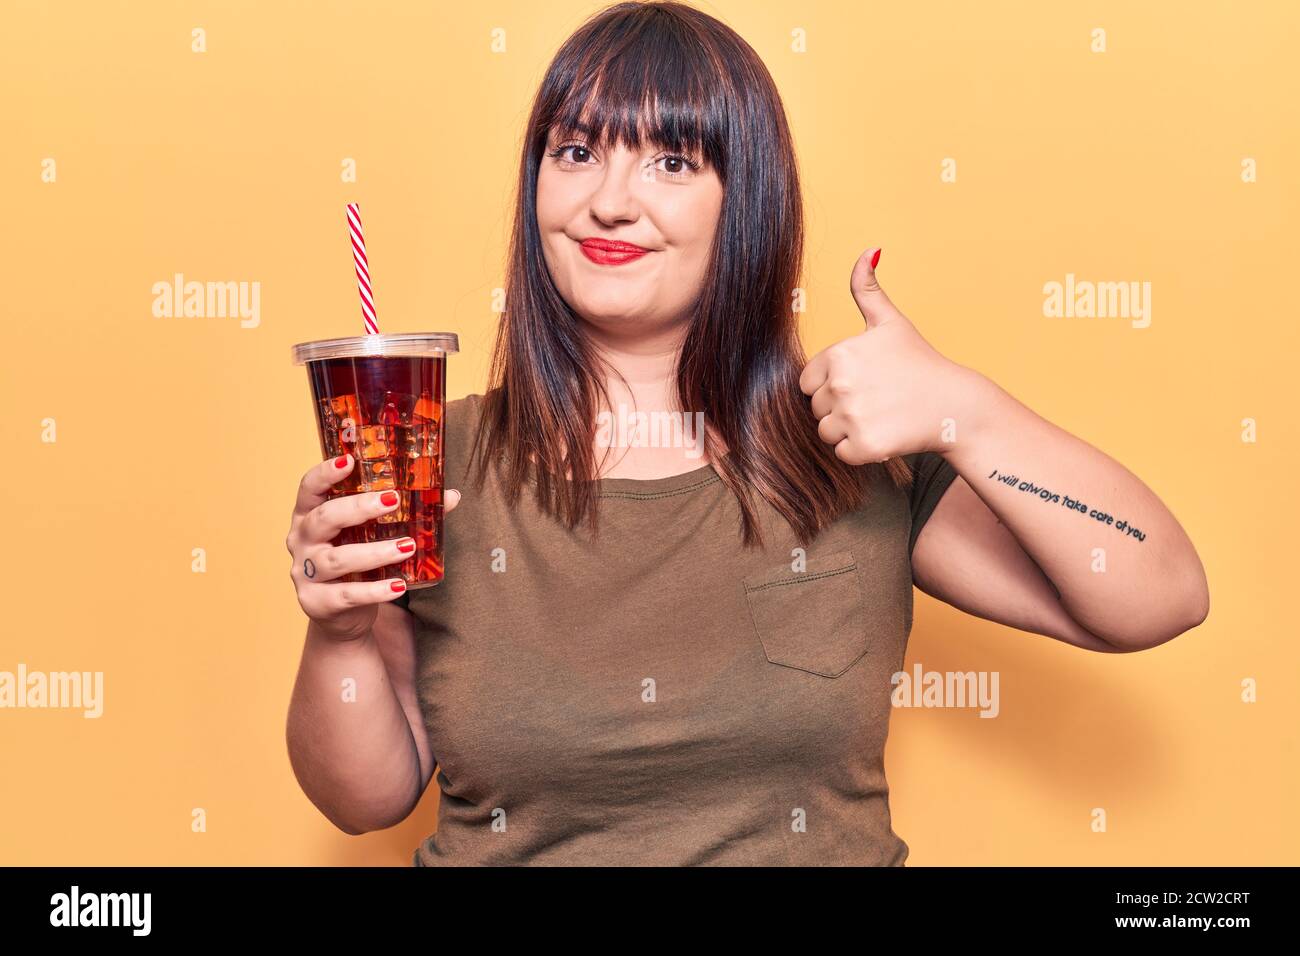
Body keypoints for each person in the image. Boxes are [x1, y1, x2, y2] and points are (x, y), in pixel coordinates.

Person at [284, 0, 1209, 866]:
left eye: (673, 162)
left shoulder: (854, 451)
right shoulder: (419, 454)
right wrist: (341, 635)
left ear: (748, 201)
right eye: (574, 153)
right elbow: (365, 800)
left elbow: (1158, 595)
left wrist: (971, 412)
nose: (609, 201)